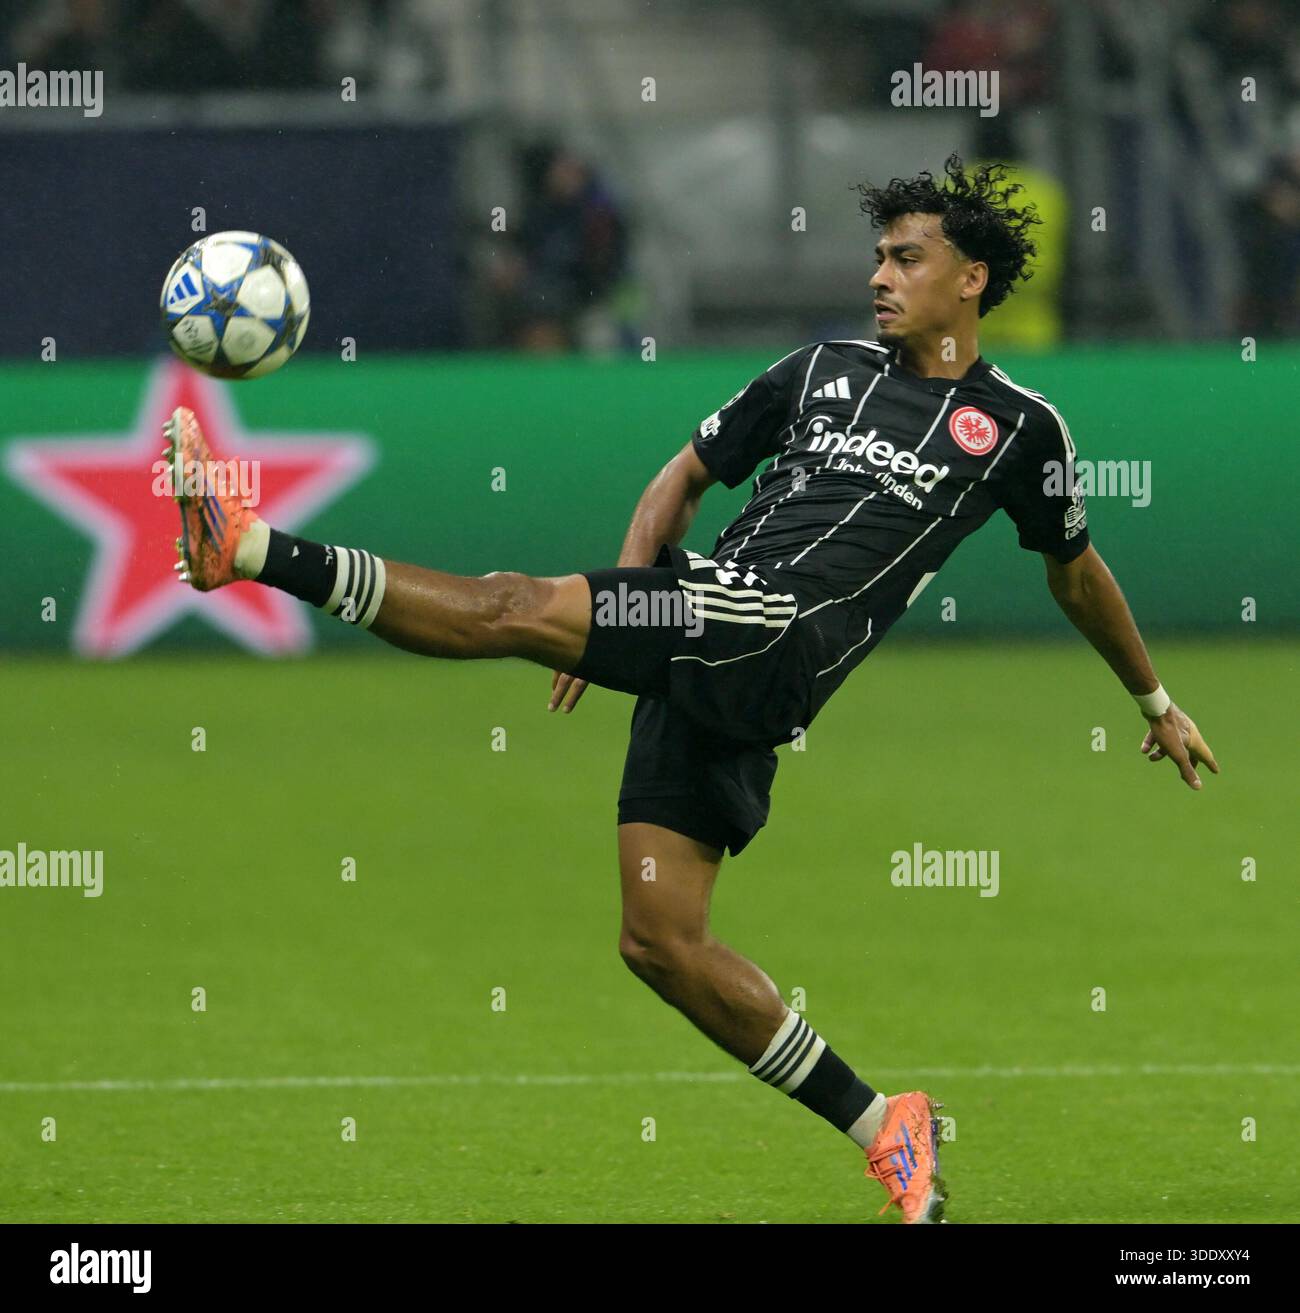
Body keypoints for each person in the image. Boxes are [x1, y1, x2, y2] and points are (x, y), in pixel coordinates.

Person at [163, 154, 1218, 1224]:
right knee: (659, 940)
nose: (879, 279)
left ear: (972, 280)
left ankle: (242, 543)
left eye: (906, 259)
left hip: (769, 631)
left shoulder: (1019, 428)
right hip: (704, 624)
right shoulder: (816, 371)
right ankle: (883, 1124)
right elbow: (682, 478)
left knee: (511, 608)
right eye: (877, 257)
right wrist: (616, 608)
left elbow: (1075, 571)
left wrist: (1151, 701)